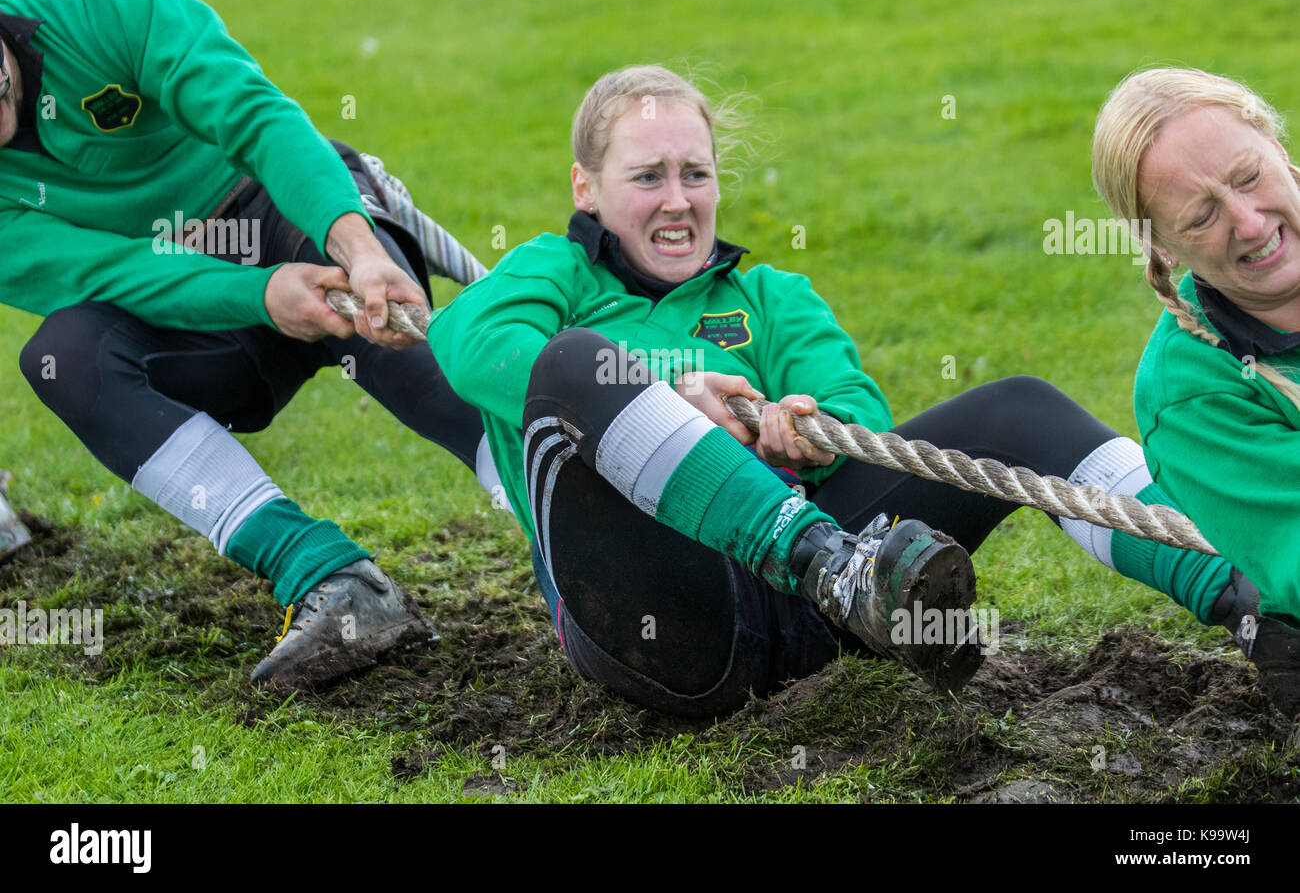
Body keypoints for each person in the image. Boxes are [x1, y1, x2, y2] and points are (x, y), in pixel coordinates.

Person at [426, 64, 1247, 719]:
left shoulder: (774, 298)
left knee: (1019, 407)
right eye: (647, 177)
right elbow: (467, 346)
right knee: (574, 362)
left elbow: (865, 423)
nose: (678, 201)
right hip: (664, 627)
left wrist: (811, 432)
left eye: (696, 174)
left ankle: (1253, 603)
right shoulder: (552, 274)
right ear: (586, 188)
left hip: (817, 618)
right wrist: (670, 392)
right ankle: (833, 565)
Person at [0, 0, 487, 690]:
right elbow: (119, 273)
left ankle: (573, 522)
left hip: (288, 208)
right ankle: (328, 575)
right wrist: (261, 298)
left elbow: (257, 117)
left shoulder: (105, 2)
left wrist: (354, 248)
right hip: (196, 301)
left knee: (403, 348)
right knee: (64, 357)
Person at [1092, 67, 1300, 716]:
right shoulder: (1187, 393)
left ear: (1278, 147)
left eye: (1248, 177)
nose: (1247, 221)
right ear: (1165, 247)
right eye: (1202, 215)